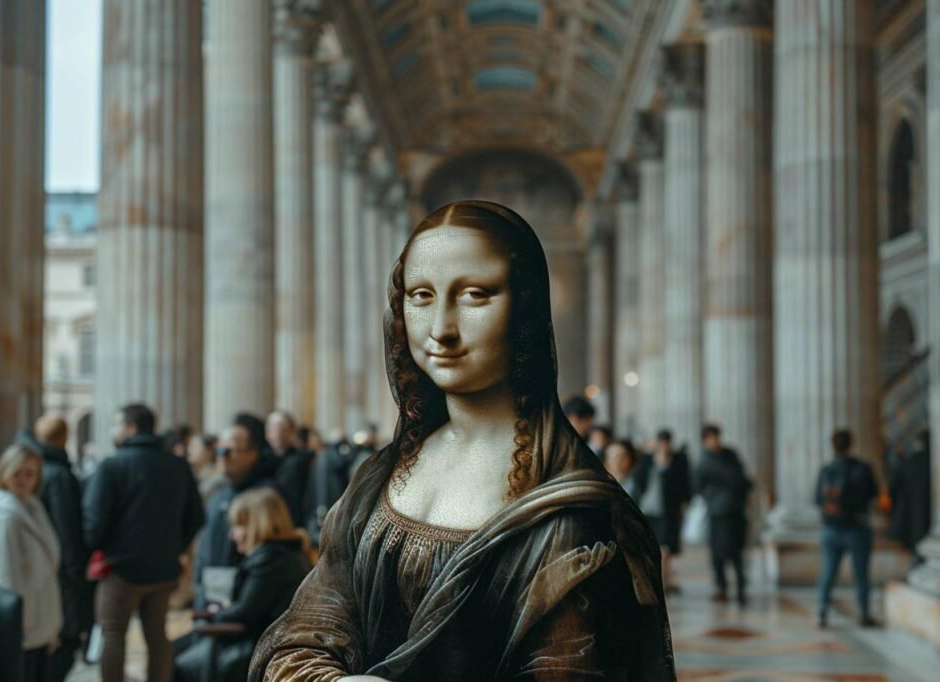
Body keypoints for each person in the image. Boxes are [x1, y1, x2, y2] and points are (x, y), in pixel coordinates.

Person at [250, 200, 674, 680]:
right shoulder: (378, 478)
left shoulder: (575, 515)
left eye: (475, 294)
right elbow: (305, 632)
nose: (441, 330)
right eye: (421, 295)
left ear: (525, 306)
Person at [82, 403, 205, 682]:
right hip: (163, 569)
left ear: (131, 427)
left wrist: (102, 548)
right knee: (158, 637)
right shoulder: (177, 466)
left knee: (112, 635)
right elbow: (196, 517)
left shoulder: (112, 465)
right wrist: (174, 547)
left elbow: (93, 521)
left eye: (117, 424)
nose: (113, 431)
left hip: (119, 570)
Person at [173, 488, 311, 682]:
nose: (232, 535)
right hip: (263, 643)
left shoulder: (271, 559)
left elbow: (245, 613)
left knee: (170, 658)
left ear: (256, 525)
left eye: (238, 526)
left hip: (256, 649)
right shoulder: (286, 555)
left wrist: (215, 614)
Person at [16, 414, 90, 682]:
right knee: (62, 644)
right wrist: (79, 578)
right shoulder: (57, 475)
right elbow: (66, 531)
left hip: (44, 571)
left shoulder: (45, 472)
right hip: (57, 575)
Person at [0, 445, 62, 682]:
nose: (23, 480)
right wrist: (18, 623)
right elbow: (5, 574)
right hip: (24, 623)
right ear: (4, 472)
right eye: (17, 473)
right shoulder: (3, 516)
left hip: (41, 617)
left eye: (30, 473)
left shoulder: (33, 506)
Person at [193, 419, 281, 609]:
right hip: (210, 590)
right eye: (218, 451)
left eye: (229, 451)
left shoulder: (264, 495)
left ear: (252, 453)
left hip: (246, 596)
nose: (222, 457)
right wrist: (199, 584)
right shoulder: (217, 494)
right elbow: (204, 545)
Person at [815, 429, 879, 628]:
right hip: (857, 526)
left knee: (828, 571)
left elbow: (817, 499)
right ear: (851, 445)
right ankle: (863, 612)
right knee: (861, 574)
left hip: (830, 528)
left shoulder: (826, 470)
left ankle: (822, 611)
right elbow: (873, 493)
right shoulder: (862, 468)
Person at [695, 424, 752, 605]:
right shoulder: (704, 461)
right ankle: (722, 587)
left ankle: (741, 587)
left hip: (735, 510)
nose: (715, 441)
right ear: (705, 440)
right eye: (710, 438)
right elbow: (698, 486)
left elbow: (742, 480)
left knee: (736, 552)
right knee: (718, 552)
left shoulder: (730, 455)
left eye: (716, 437)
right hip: (717, 512)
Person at [637, 430, 691, 595]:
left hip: (668, 510)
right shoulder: (647, 459)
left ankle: (663, 579)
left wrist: (685, 503)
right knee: (653, 546)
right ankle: (659, 579)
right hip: (648, 509)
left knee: (666, 547)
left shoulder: (678, 460)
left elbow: (684, 484)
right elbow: (639, 479)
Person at [888, 429, 931, 565]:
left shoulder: (909, 461)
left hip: (910, 513)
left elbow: (892, 487)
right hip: (935, 514)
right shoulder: (937, 463)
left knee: (916, 552)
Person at [266, 410, 314, 527]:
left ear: (292, 432)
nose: (278, 433)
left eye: (283, 428)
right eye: (273, 428)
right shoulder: (260, 461)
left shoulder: (302, 460)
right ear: (267, 433)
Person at [187, 432, 226, 501]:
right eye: (189, 446)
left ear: (209, 450)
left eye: (194, 446)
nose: (189, 450)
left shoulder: (218, 475)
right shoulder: (191, 472)